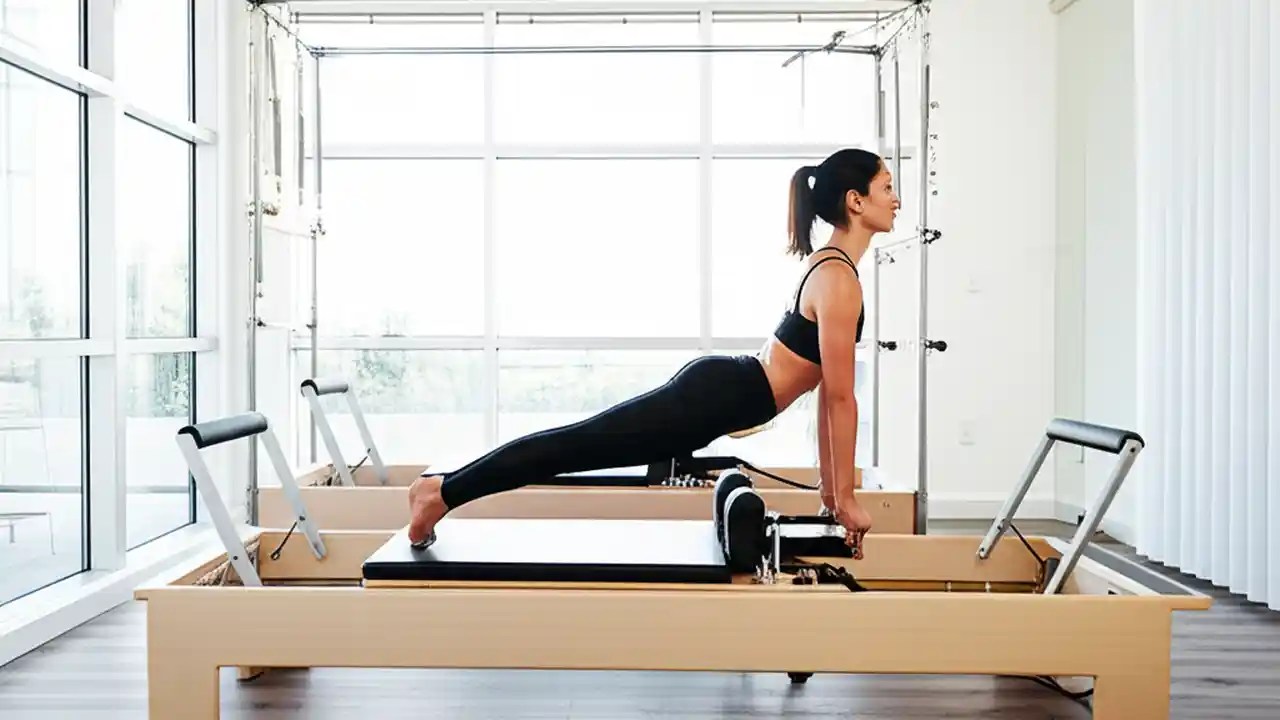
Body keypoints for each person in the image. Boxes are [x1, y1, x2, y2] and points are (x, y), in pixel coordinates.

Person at [407, 147, 899, 559]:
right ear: (855, 201)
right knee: (576, 446)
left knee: (579, 443)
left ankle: (442, 491)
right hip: (716, 397)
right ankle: (440, 493)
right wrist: (846, 497)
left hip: (720, 393)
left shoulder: (832, 269)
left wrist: (833, 495)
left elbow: (827, 397)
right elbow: (839, 398)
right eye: (887, 188)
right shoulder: (839, 280)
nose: (896, 200)